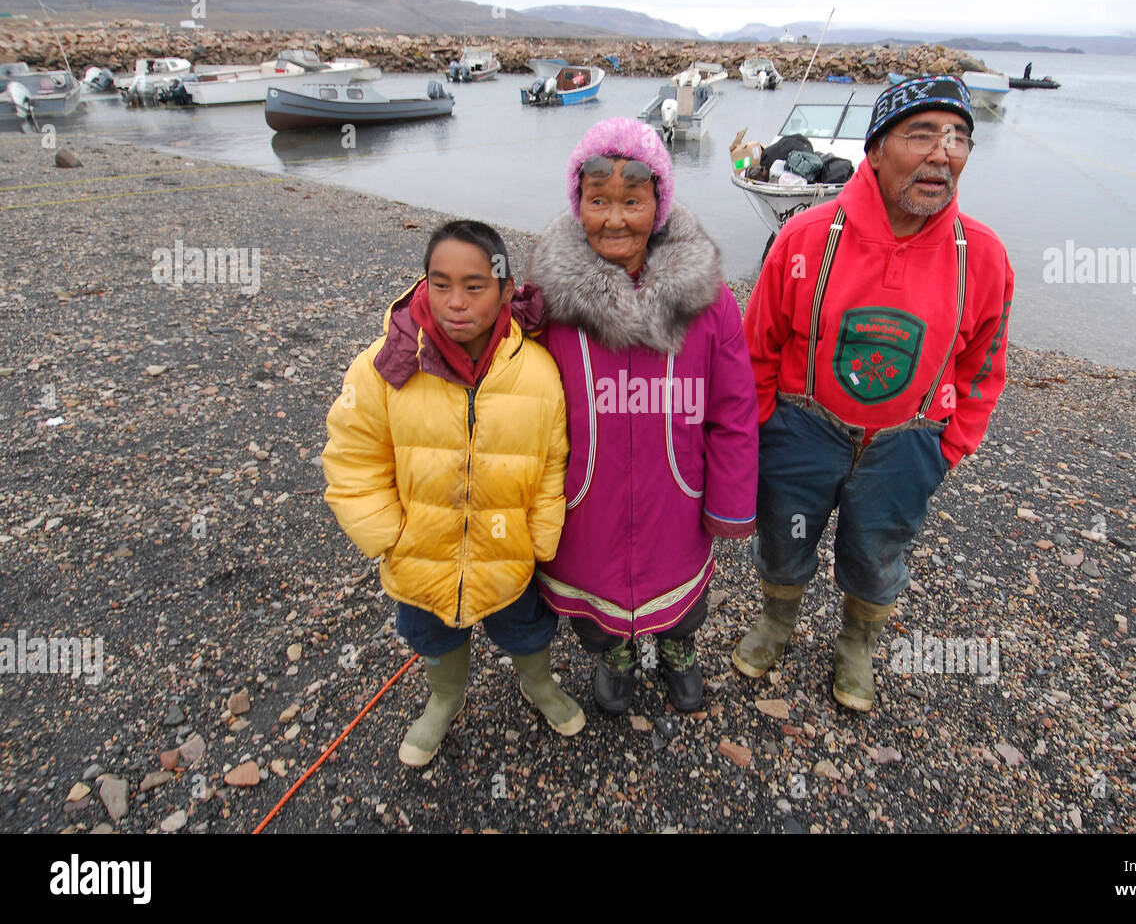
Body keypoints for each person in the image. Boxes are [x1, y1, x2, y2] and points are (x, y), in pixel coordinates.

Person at [736, 75, 1015, 711]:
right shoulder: (805, 238)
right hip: (802, 431)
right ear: (877, 149)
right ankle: (777, 622)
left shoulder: (985, 256)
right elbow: (757, 345)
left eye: (958, 139)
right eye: (921, 134)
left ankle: (856, 645)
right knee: (784, 535)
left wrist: (949, 447)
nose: (942, 154)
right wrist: (758, 430)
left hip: (908, 444)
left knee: (878, 552)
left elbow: (984, 365)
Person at [322, 220, 584, 767]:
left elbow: (552, 462)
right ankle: (445, 697)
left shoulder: (536, 372)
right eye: (440, 284)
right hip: (421, 554)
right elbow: (353, 457)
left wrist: (540, 538)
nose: (455, 302)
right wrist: (388, 534)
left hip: (507, 551)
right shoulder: (385, 366)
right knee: (430, 632)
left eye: (475, 285)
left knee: (527, 628)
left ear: (507, 291)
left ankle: (539, 685)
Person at [526, 118, 758, 714]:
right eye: (597, 199)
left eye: (633, 199)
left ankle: (677, 651)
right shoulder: (545, 302)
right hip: (585, 495)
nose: (615, 218)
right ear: (578, 202)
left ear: (659, 204)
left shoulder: (708, 301)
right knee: (594, 600)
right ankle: (614, 655)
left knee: (682, 597)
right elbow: (501, 381)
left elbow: (733, 410)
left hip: (677, 492)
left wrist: (728, 502)